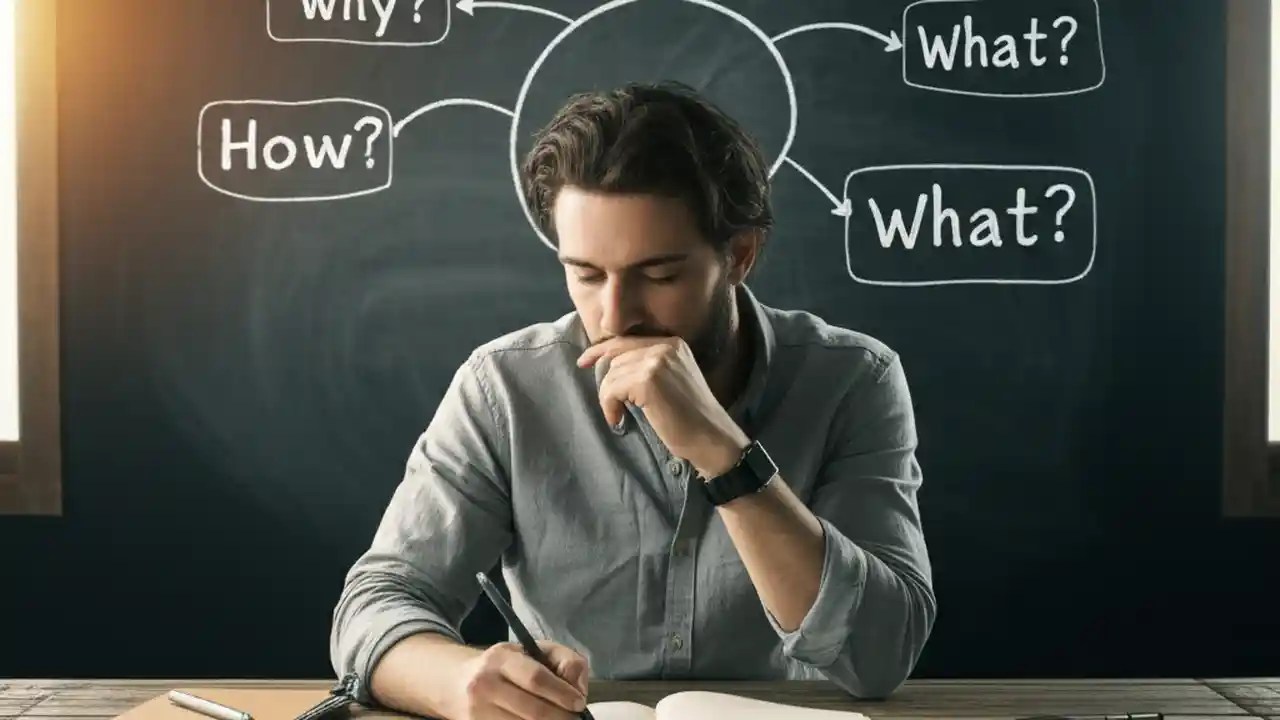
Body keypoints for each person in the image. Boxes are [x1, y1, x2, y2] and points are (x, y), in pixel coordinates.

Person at [330, 81, 935, 720]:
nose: (614, 314)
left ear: (739, 256)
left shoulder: (853, 378)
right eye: (586, 275)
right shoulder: (505, 386)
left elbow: (879, 657)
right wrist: (459, 682)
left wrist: (724, 455)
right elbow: (377, 603)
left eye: (660, 275)